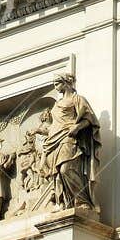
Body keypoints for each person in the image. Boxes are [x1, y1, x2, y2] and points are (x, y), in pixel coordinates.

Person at [41, 73, 100, 210]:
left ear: (66, 82)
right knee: (57, 175)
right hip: (54, 141)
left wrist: (77, 127)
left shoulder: (77, 99)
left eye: (57, 82)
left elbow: (89, 119)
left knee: (66, 169)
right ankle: (65, 202)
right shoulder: (56, 105)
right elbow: (54, 125)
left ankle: (82, 200)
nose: (55, 86)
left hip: (69, 137)